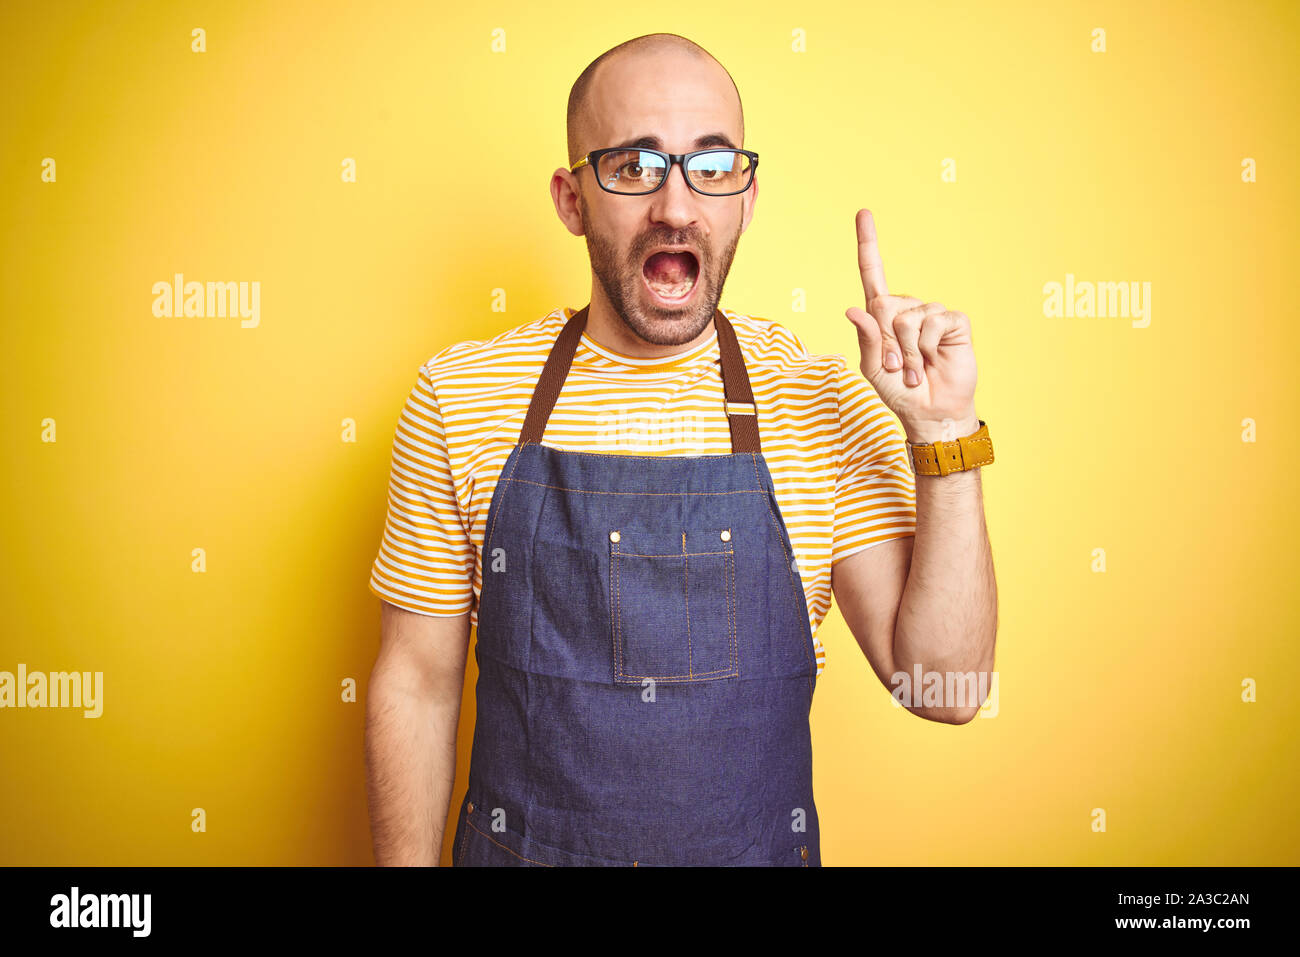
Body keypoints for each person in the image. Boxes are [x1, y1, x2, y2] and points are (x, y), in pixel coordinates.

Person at [364, 33, 997, 867]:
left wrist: (943, 432)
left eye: (711, 164)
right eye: (634, 165)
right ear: (571, 199)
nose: (675, 205)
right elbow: (416, 684)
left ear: (746, 197)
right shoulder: (461, 394)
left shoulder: (821, 401)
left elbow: (947, 685)